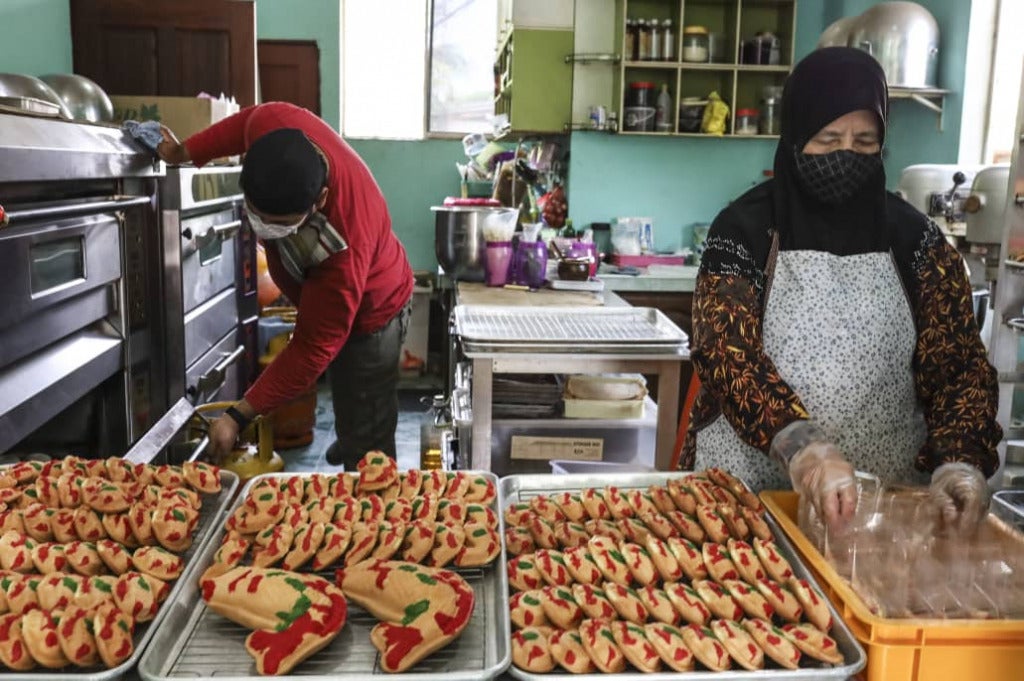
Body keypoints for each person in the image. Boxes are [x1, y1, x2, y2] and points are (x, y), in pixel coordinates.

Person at [680, 47, 1001, 532]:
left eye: (865, 141)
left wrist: (960, 459)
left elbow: (958, 370)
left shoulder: (918, 243)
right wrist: (803, 447)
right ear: (794, 136)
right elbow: (727, 354)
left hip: (882, 515)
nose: (846, 154)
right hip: (749, 502)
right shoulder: (744, 229)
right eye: (827, 139)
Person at [156, 102, 414, 469]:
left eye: (280, 225)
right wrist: (184, 153)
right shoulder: (273, 122)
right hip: (333, 303)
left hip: (374, 315)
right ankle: (351, 430)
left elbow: (312, 349)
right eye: (258, 217)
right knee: (346, 388)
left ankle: (362, 451)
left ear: (320, 201)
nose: (265, 232)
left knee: (367, 441)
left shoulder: (343, 246)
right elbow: (241, 125)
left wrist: (237, 416)